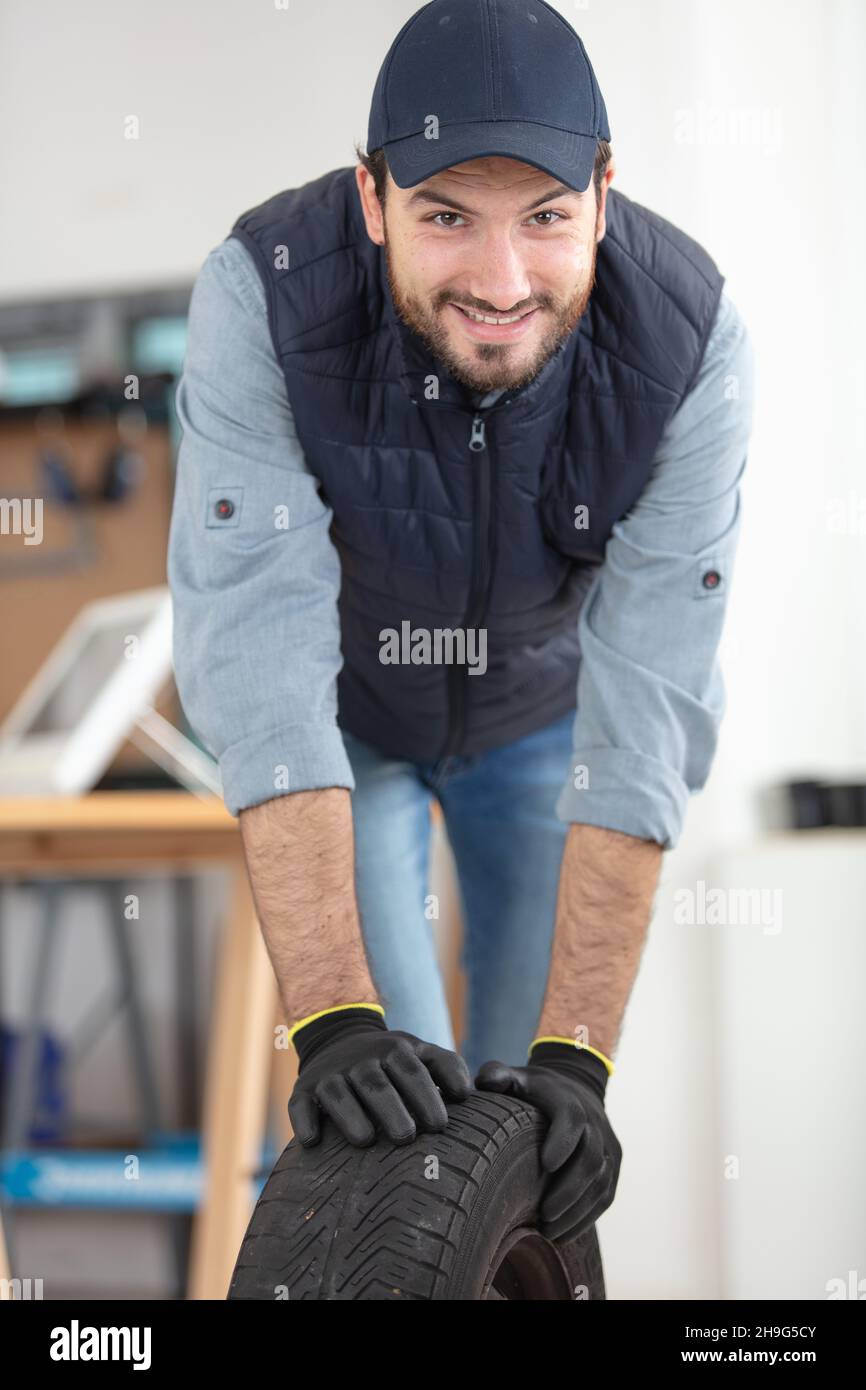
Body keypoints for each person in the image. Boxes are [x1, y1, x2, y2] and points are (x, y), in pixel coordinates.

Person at [167, 0, 754, 1245]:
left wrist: (579, 1058)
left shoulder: (688, 338)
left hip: (546, 724)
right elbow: (257, 648)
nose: (499, 284)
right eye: (445, 217)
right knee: (394, 1120)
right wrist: (329, 1018)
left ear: (603, 192)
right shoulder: (261, 296)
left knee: (532, 1134)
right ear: (372, 197)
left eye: (543, 217)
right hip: (348, 723)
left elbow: (645, 701)